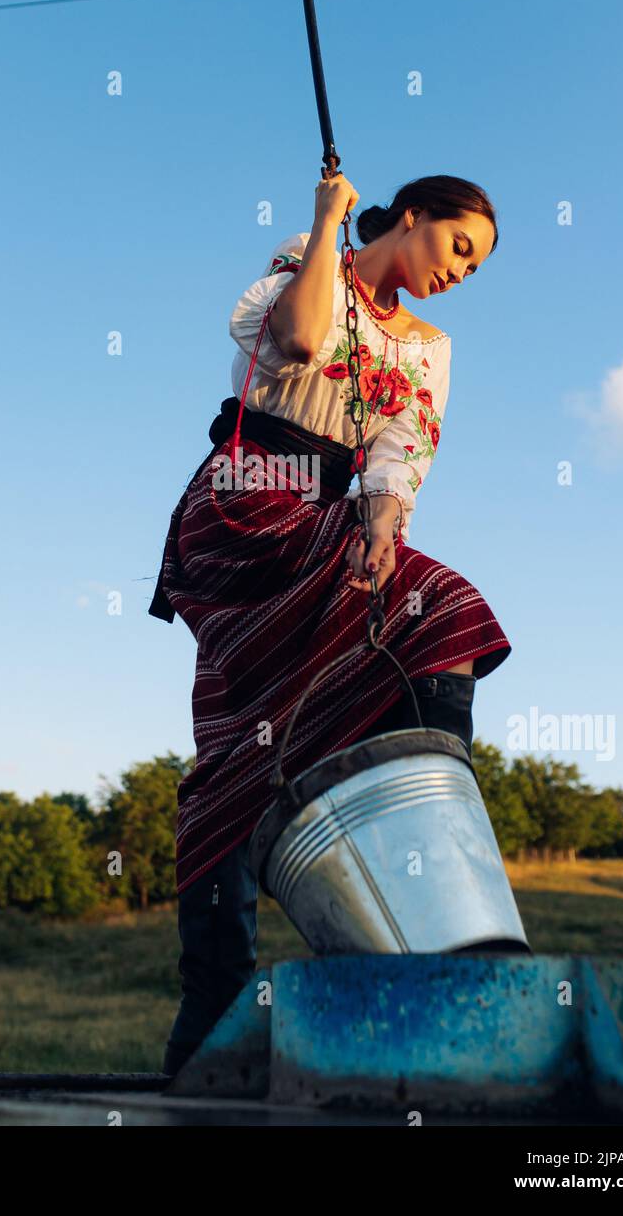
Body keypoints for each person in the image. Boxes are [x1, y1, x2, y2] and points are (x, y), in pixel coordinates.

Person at [148, 173, 512, 1075]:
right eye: (457, 248)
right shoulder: (309, 266)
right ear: (414, 217)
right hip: (242, 502)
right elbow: (299, 341)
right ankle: (218, 997)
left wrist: (384, 525)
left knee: (441, 611)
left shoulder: (431, 348)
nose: (459, 275)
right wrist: (324, 226)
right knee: (264, 725)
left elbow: (402, 447)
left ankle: (419, 860)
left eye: (475, 271)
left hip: (329, 513)